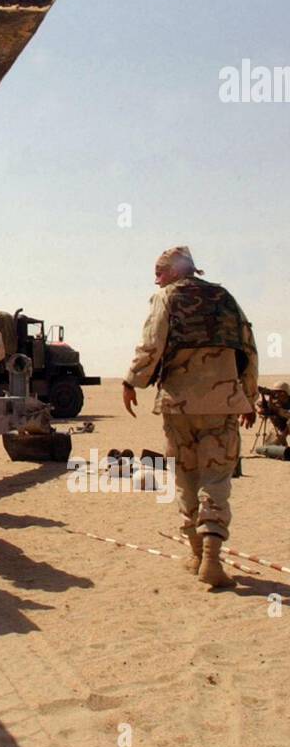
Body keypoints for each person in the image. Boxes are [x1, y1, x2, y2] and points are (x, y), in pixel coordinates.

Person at [123, 246, 257, 589]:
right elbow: (248, 347)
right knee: (216, 479)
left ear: (176, 272)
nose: (155, 278)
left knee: (186, 476)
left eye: (159, 271)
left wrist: (132, 381)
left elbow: (152, 344)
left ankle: (198, 556)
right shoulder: (225, 298)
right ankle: (210, 559)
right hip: (222, 403)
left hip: (179, 405)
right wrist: (248, 397)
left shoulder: (166, 298)